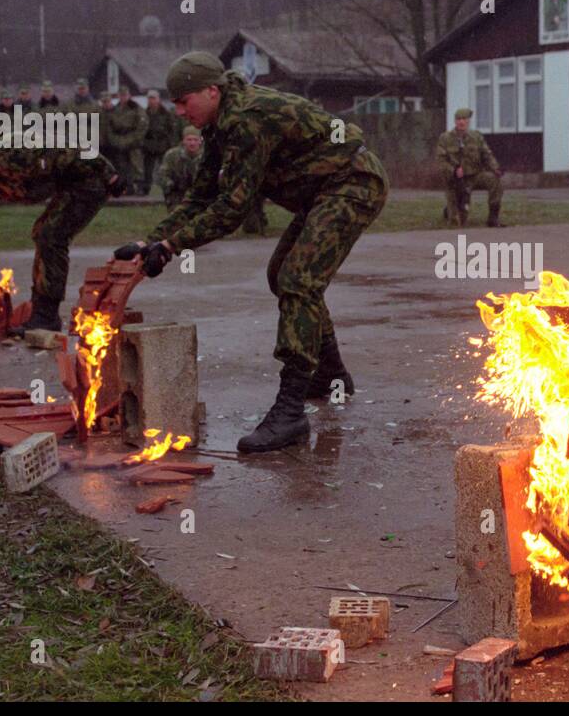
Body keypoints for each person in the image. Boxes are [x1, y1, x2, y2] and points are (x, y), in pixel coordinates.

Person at [113, 52, 389, 453]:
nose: (178, 111)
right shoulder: (218, 124)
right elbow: (201, 195)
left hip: (353, 182)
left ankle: (291, 412)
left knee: (298, 280)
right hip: (322, 191)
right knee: (282, 275)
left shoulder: (247, 119)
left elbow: (231, 209)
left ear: (212, 91)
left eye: (183, 100)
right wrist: (150, 242)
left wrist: (172, 247)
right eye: (173, 103)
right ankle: (331, 376)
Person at [0, 131, 129, 334]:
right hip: (70, 183)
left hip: (89, 179)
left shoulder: (11, 156)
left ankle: (46, 317)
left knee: (51, 237)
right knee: (43, 233)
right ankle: (40, 310)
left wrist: (109, 173)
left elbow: (68, 148)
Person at [435, 108, 505, 227]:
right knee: (458, 222)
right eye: (458, 119)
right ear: (455, 121)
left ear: (468, 121)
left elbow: (486, 154)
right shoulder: (445, 138)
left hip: (475, 176)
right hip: (456, 181)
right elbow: (441, 161)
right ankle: (450, 210)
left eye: (464, 119)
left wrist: (496, 168)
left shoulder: (476, 137)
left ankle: (493, 217)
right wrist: (454, 171)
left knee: (494, 180)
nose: (461, 122)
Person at [108, 86, 147, 194]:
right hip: (119, 140)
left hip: (133, 141)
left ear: (129, 96)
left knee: (136, 165)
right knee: (122, 166)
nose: (123, 97)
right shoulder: (115, 110)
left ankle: (139, 188)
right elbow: (109, 127)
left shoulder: (136, 108)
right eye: (121, 95)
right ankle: (127, 187)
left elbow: (142, 125)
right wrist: (116, 140)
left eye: (125, 95)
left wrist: (133, 139)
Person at [157, 125, 203, 210]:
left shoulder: (207, 156)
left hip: (201, 195)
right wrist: (171, 184)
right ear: (183, 141)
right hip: (178, 195)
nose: (192, 143)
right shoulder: (172, 155)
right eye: (189, 140)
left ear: (200, 141)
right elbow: (162, 175)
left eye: (195, 140)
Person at [141, 88, 178, 196]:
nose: (151, 101)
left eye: (153, 98)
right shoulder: (144, 113)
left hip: (162, 146)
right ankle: (145, 190)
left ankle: (166, 189)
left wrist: (170, 144)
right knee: (147, 170)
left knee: (164, 170)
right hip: (148, 146)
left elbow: (171, 130)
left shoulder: (166, 113)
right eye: (149, 98)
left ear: (158, 99)